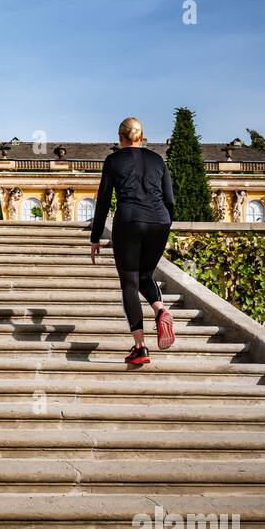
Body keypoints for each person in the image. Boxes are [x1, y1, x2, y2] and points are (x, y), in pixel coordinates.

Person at [90, 117, 175, 367]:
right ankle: (160, 309)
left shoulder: (113, 160)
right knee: (146, 277)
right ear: (142, 136)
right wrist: (167, 223)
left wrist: (95, 237)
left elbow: (104, 201)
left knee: (129, 282)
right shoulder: (158, 160)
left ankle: (139, 347)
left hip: (129, 221)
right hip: (160, 221)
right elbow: (169, 199)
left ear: (120, 138)